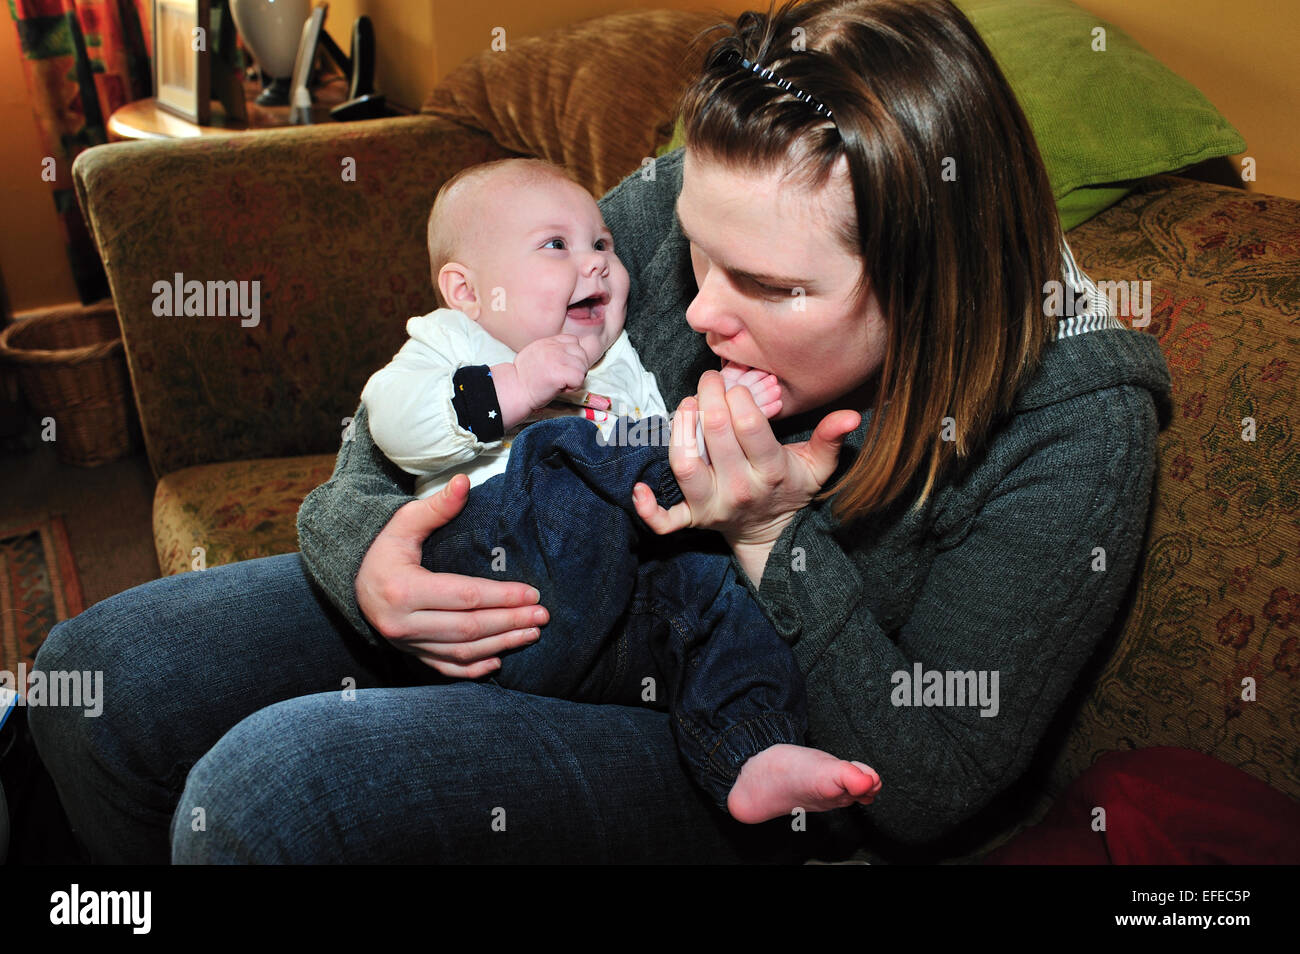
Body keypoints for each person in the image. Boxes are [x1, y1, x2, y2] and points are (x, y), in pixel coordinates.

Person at [30, 0, 1169, 864]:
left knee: (275, 793)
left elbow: (927, 780)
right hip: (542, 582)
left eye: (767, 288)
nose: (698, 304)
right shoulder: (717, 198)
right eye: (691, 249)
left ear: (929, 280)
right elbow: (436, 372)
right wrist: (364, 546)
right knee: (97, 673)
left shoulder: (1073, 428)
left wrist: (772, 536)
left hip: (745, 729)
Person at [359, 156, 881, 820]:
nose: (598, 261)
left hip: (603, 619)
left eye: (603, 243)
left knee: (716, 590)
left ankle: (753, 751)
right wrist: (514, 387)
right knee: (571, 446)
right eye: (558, 246)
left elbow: (643, 470)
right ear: (466, 290)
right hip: (488, 579)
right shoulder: (452, 341)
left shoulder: (618, 362)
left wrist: (716, 417)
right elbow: (393, 420)